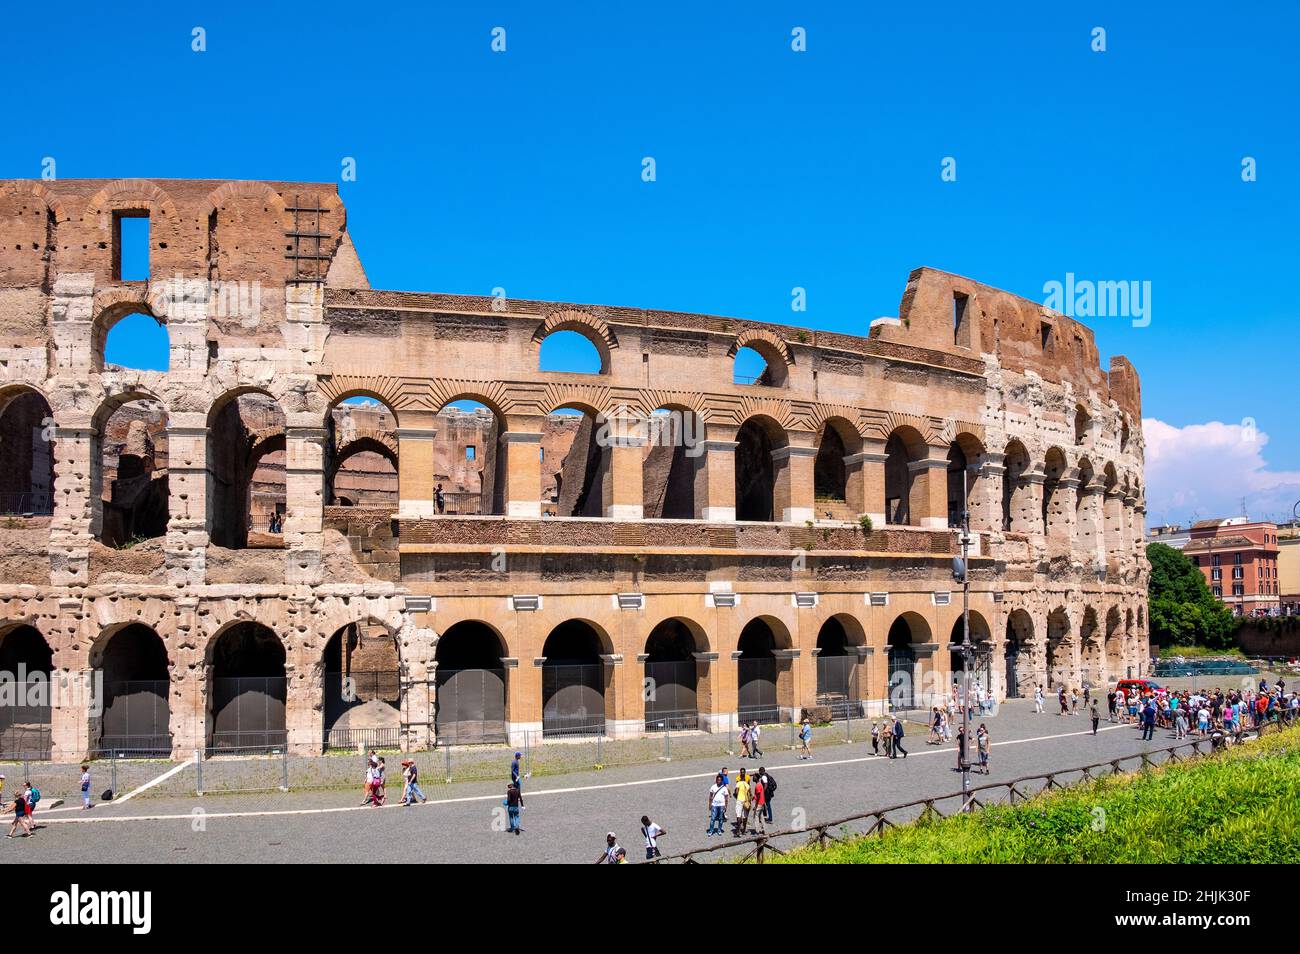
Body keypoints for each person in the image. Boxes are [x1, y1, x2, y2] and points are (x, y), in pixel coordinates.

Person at [732, 769, 751, 835]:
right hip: (746, 801)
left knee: (738, 815)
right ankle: (744, 830)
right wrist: (749, 802)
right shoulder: (747, 785)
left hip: (739, 800)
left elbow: (736, 792)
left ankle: (738, 830)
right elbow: (750, 794)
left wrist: (736, 795)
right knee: (745, 816)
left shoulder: (738, 783)